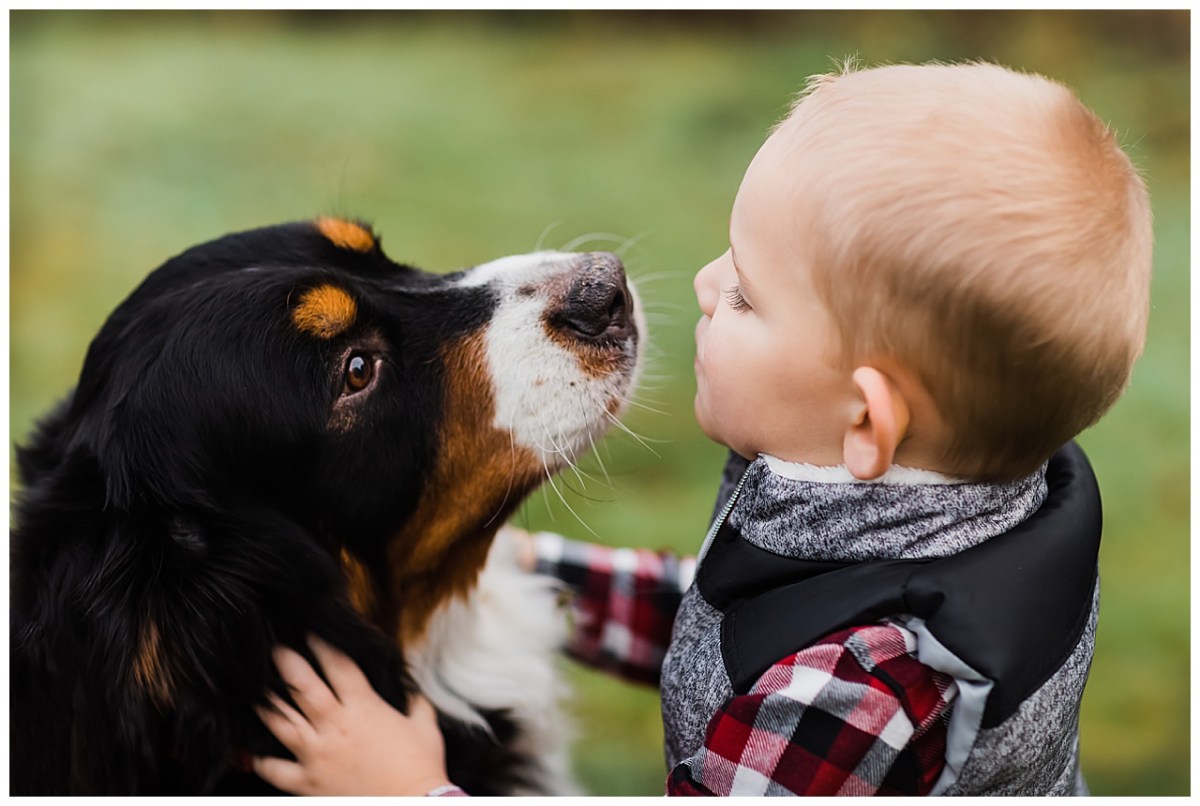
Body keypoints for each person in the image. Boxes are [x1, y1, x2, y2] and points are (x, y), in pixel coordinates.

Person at [251, 60, 1152, 796]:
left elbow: (792, 669)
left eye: (749, 296)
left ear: (866, 419)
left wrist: (410, 791)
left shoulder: (847, 698)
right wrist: (552, 577)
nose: (708, 285)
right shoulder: (949, 492)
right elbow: (731, 617)